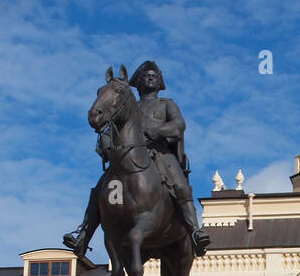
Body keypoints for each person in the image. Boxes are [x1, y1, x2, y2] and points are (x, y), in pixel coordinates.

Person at [63, 61, 210, 257]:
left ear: (159, 82)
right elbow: (109, 130)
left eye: (154, 75)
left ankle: (194, 231)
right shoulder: (128, 105)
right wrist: (107, 145)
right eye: (146, 75)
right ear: (138, 82)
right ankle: (83, 235)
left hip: (161, 154)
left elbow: (178, 126)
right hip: (126, 157)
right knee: (99, 190)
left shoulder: (166, 104)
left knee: (180, 186)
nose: (150, 78)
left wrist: (157, 131)